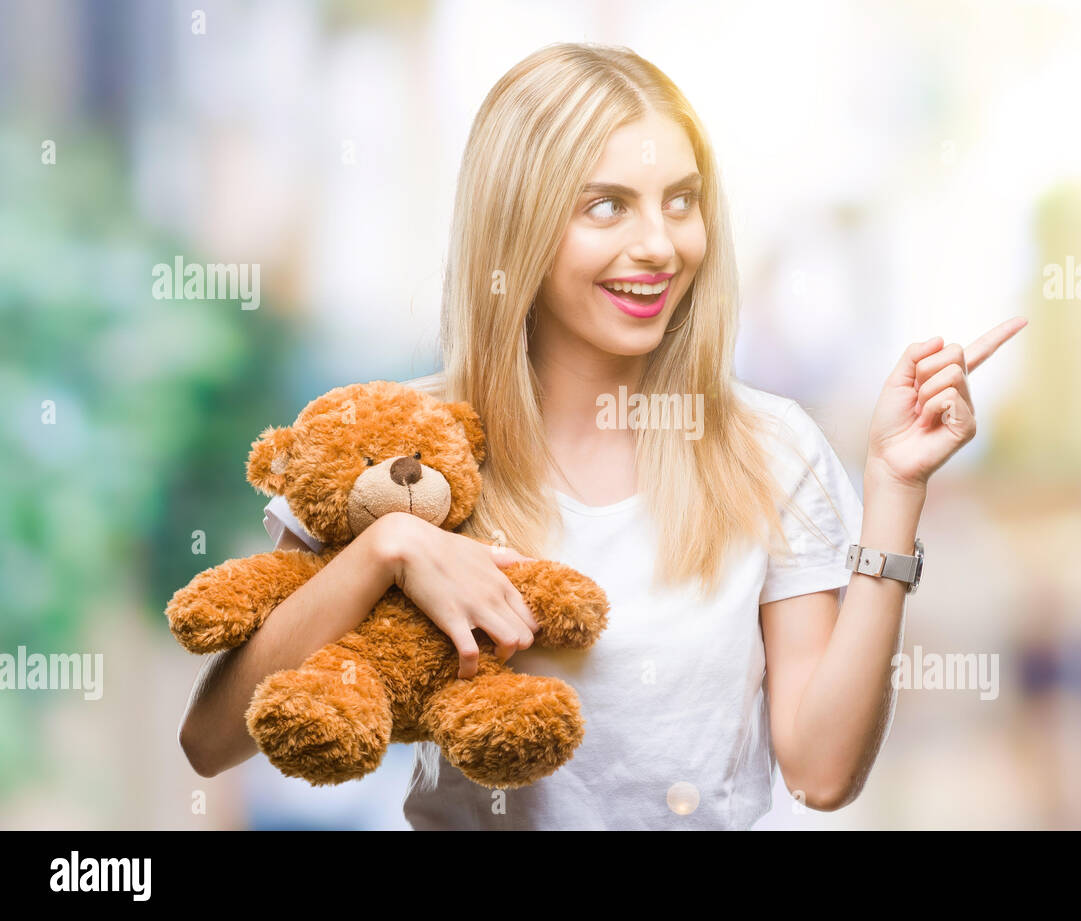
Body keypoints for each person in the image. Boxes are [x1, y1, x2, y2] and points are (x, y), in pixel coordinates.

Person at [179, 41, 1026, 830]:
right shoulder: (401, 448)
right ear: (521, 224)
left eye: (681, 202)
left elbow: (822, 772)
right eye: (607, 206)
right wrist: (387, 550)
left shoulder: (770, 448)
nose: (658, 245)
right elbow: (212, 740)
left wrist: (893, 490)